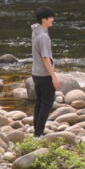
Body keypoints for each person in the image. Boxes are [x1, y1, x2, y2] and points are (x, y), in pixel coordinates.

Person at [29, 7, 59, 137]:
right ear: (44, 19)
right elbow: (45, 58)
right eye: (51, 17)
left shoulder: (36, 31)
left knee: (39, 103)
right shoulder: (43, 36)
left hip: (36, 73)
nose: (53, 20)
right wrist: (54, 76)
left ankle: (37, 132)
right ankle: (39, 134)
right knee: (46, 104)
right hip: (45, 74)